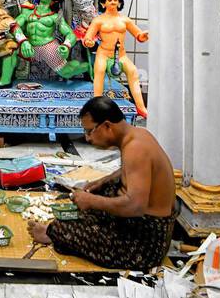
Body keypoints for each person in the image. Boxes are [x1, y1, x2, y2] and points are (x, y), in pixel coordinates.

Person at [28, 96, 176, 272]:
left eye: (89, 131)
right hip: (140, 224)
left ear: (107, 126)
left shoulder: (136, 148)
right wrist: (103, 181)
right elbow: (133, 172)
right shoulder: (138, 135)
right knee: (101, 191)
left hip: (144, 241)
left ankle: (52, 234)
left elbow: (135, 206)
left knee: (62, 228)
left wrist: (91, 201)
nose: (87, 138)